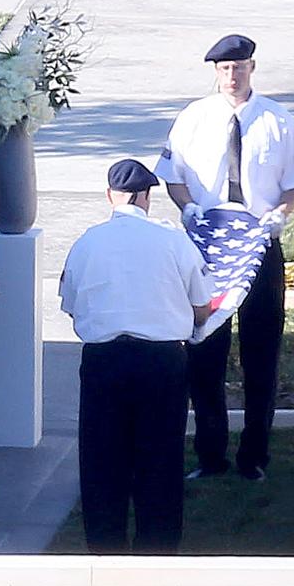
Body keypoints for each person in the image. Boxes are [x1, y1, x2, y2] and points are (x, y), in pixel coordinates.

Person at [155, 34, 294, 482]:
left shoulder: (277, 120)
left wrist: (281, 213)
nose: (231, 76)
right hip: (209, 247)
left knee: (261, 352)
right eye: (224, 69)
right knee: (206, 350)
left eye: (239, 67)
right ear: (214, 72)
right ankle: (210, 455)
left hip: (258, 245)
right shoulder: (194, 118)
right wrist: (187, 207)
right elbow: (173, 175)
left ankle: (254, 457)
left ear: (252, 67)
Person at [59, 159, 213, 554]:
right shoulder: (174, 241)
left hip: (103, 361)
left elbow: (73, 307)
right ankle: (158, 554)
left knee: (101, 462)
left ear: (109, 196)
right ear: (146, 197)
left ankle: (105, 552)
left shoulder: (87, 242)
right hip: (161, 362)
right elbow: (201, 306)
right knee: (160, 460)